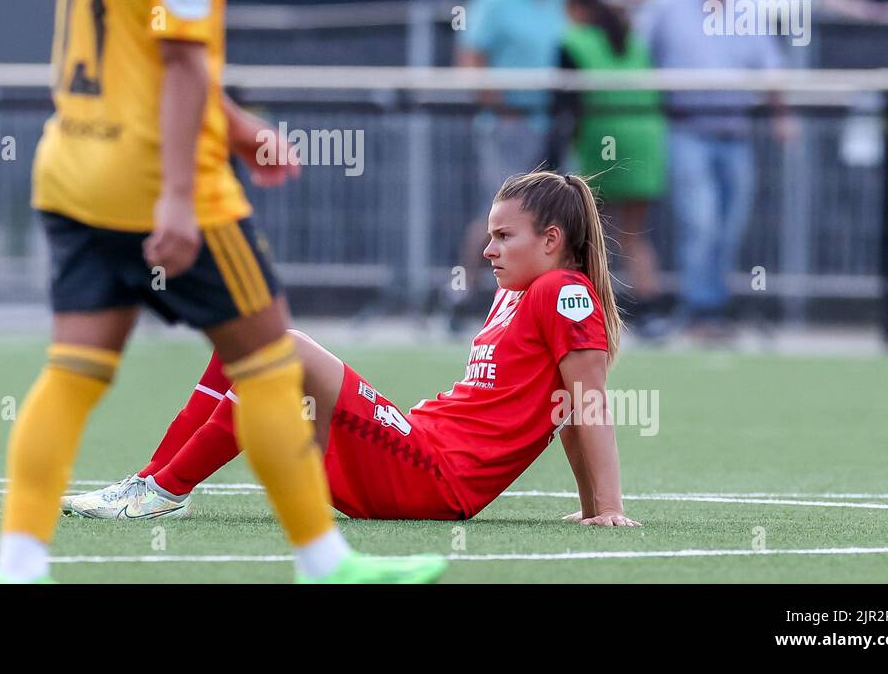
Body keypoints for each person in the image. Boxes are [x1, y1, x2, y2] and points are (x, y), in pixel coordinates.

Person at [0, 0, 443, 585]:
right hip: (167, 184)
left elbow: (133, 45)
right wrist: (172, 199)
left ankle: (17, 568)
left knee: (73, 376)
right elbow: (183, 58)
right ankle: (325, 564)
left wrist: (237, 126)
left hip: (73, 168)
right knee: (271, 364)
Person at [62, 171, 642, 531]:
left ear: (550, 240)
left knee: (279, 346)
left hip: (437, 479)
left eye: (502, 236)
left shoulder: (563, 292)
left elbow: (584, 408)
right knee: (244, 342)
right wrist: (590, 505)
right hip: (418, 450)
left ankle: (163, 493)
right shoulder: (516, 294)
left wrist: (606, 506)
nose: (487, 249)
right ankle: (153, 484)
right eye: (489, 234)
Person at [638, 0, 792, 338]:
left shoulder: (746, 5)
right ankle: (698, 307)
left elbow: (769, 67)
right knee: (701, 220)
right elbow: (639, 57)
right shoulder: (667, 5)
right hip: (687, 128)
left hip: (734, 131)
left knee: (729, 225)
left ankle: (714, 306)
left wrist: (782, 114)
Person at [444, 0, 568, 327]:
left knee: (553, 218)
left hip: (553, 126)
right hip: (506, 127)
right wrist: (502, 108)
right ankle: (459, 297)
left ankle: (538, 305)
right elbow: (470, 62)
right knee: (501, 215)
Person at [555, 0, 668, 325]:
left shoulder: (574, 42)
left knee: (588, 235)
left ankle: (584, 312)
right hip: (646, 142)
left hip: (601, 139)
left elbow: (564, 103)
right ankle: (650, 313)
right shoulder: (634, 43)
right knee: (633, 235)